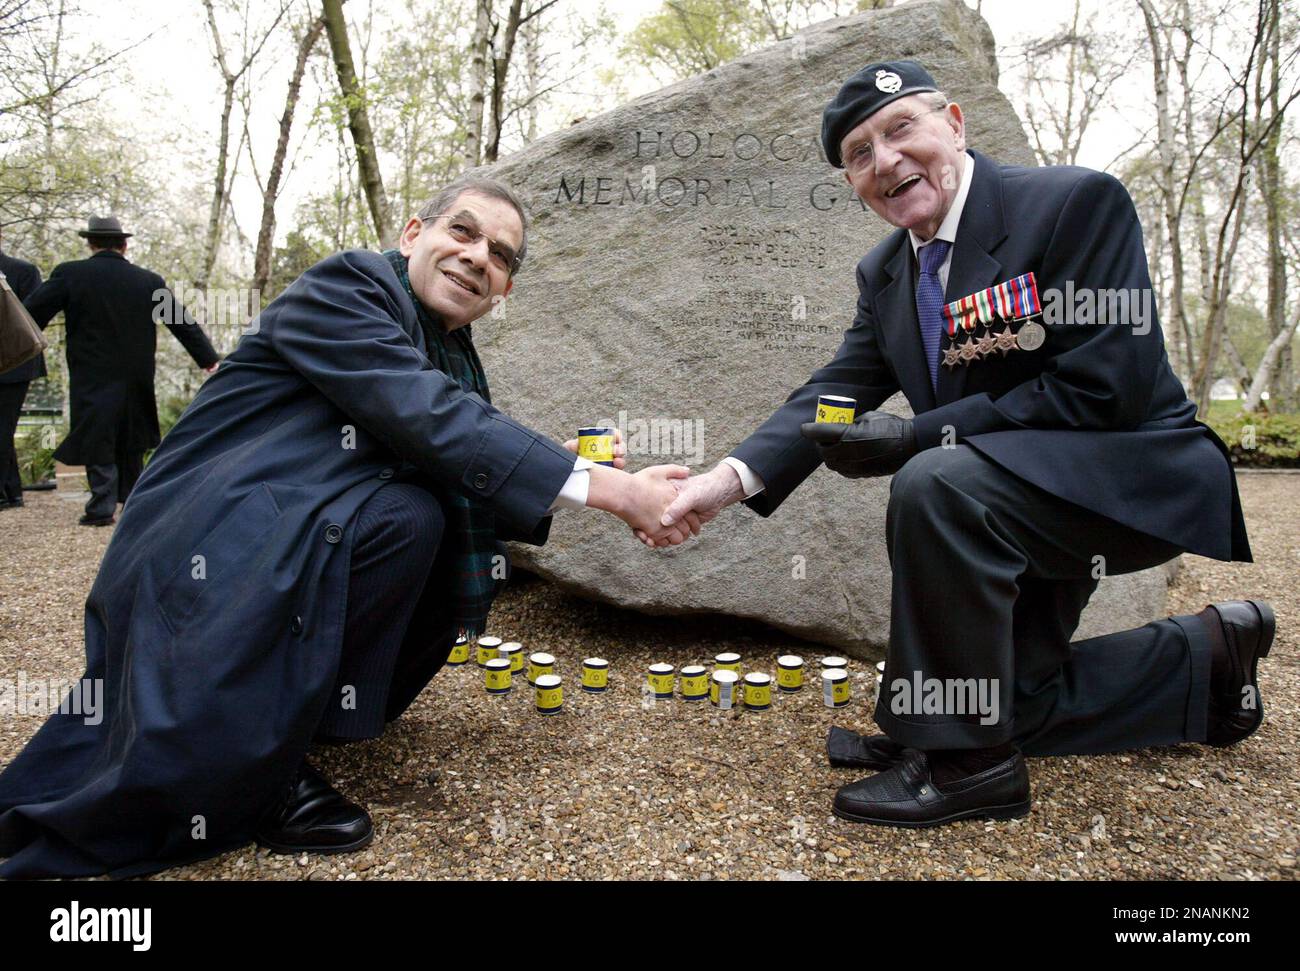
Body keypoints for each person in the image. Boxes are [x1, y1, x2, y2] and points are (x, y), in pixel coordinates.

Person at [0, 176, 697, 879]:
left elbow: (451, 437)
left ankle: (308, 716)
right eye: (463, 231)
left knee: (430, 513)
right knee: (410, 514)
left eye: (501, 255)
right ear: (412, 235)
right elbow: (430, 416)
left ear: (504, 290)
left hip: (275, 531)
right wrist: (615, 492)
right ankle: (257, 762)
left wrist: (562, 469)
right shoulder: (348, 286)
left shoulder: (446, 346)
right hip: (204, 546)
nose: (479, 256)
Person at [658, 60, 1272, 829]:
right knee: (1016, 703)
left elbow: (1105, 385)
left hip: (1133, 482)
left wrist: (918, 435)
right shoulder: (886, 272)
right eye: (858, 154)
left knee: (936, 481)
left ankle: (966, 763)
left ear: (954, 122)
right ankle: (1209, 655)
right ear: (853, 183)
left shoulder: (1073, 204)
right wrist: (720, 483)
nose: (885, 160)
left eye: (900, 128)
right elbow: (834, 392)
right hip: (1021, 500)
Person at [22, 216, 220, 526]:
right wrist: (209, 359)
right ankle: (133, 503)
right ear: (124, 245)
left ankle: (101, 507)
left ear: (90, 243)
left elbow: (31, 314)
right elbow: (181, 322)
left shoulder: (71, 274)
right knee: (133, 432)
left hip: (91, 371)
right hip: (136, 373)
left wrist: (18, 349)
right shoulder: (148, 281)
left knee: (96, 432)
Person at [0, 226, 45, 509]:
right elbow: (36, 317)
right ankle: (12, 490)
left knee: (4, 427)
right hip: (20, 363)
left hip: (15, 364)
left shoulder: (21, 271)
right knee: (5, 425)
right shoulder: (25, 271)